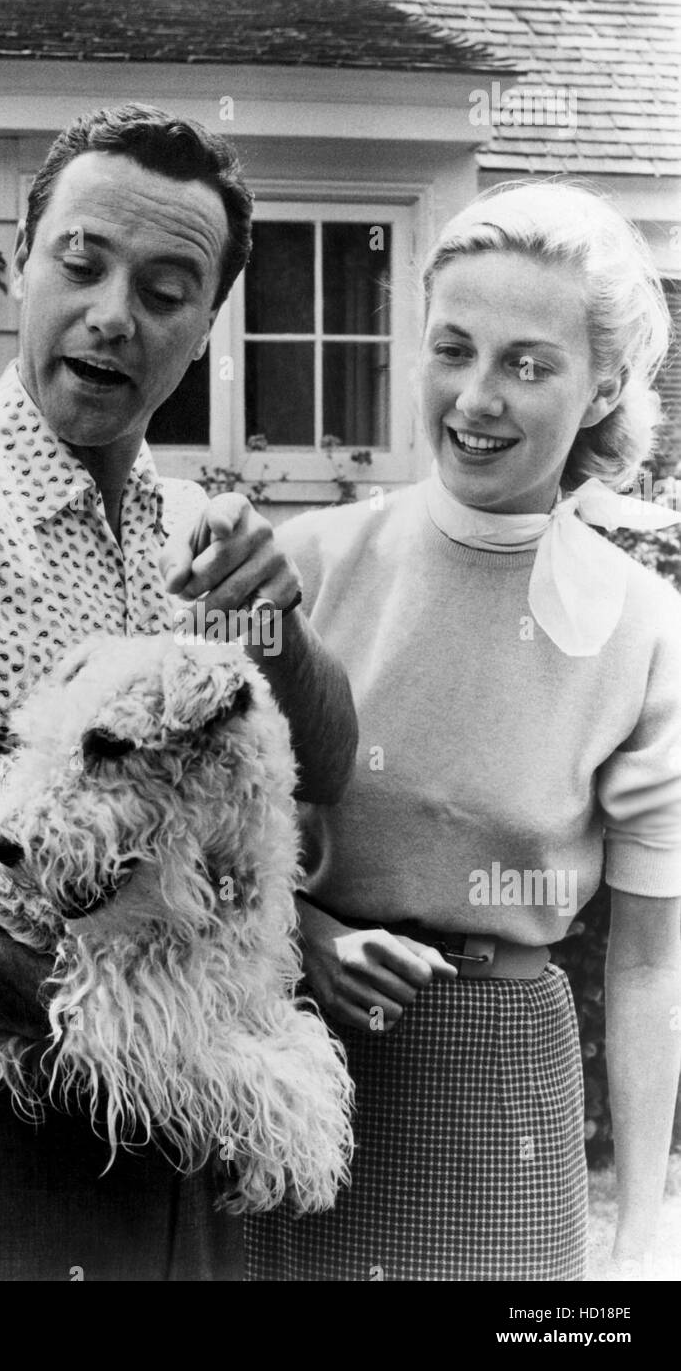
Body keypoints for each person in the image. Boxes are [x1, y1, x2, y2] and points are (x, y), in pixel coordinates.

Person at [0, 103, 357, 1281]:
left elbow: (324, 771)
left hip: (172, 1158)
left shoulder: (193, 531)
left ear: (207, 324)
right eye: (82, 263)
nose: (111, 315)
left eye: (165, 288)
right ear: (27, 261)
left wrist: (278, 626)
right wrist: (67, 999)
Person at [245, 181, 681, 1282]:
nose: (476, 398)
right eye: (453, 349)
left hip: (499, 1095)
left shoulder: (643, 631)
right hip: (284, 1059)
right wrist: (304, 936)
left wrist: (637, 1235)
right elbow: (199, 847)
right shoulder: (304, 567)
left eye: (528, 365)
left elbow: (646, 966)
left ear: (602, 389)